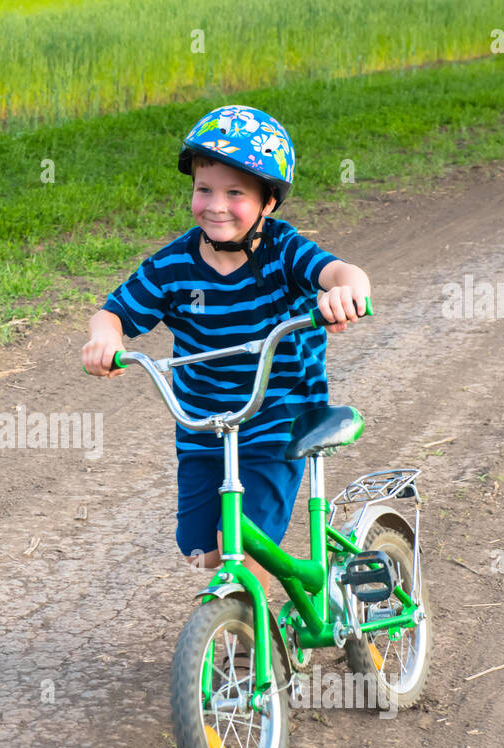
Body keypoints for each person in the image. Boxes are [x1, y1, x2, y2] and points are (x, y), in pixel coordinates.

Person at [81, 104, 371, 602]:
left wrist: (344, 293)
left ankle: (248, 654)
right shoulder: (173, 266)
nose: (216, 205)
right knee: (199, 548)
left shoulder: (283, 250)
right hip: (202, 425)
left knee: (237, 546)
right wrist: (106, 338)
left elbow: (343, 274)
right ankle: (263, 589)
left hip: (276, 419)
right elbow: (112, 313)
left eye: (235, 193)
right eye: (204, 190)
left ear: (268, 203)